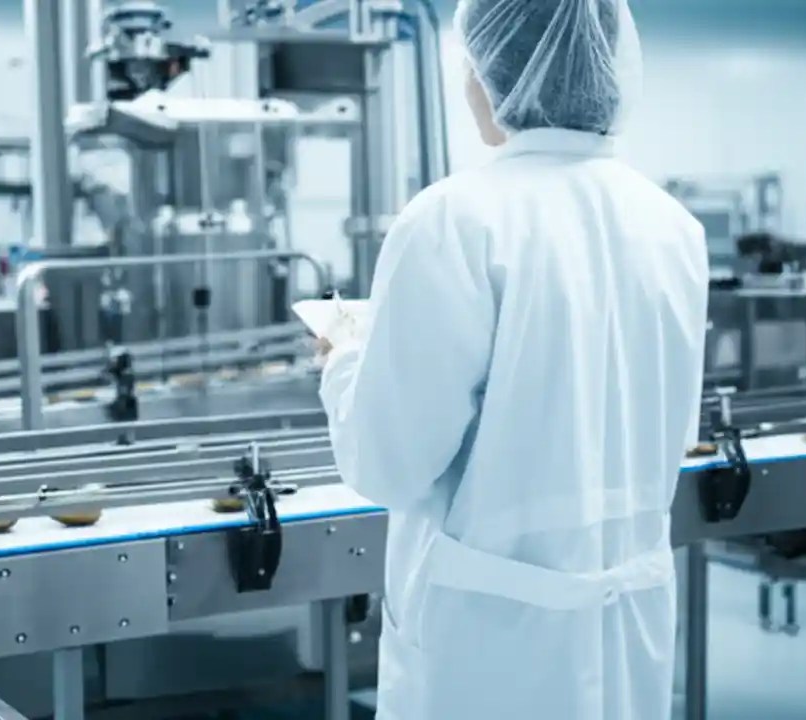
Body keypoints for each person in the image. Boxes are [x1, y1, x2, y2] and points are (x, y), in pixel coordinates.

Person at [317, 0, 708, 717]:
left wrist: (345, 359)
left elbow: (389, 462)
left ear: (494, 71)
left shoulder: (454, 220)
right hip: (629, 615)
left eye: (472, 64)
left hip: (491, 639)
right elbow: (668, 429)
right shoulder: (673, 226)